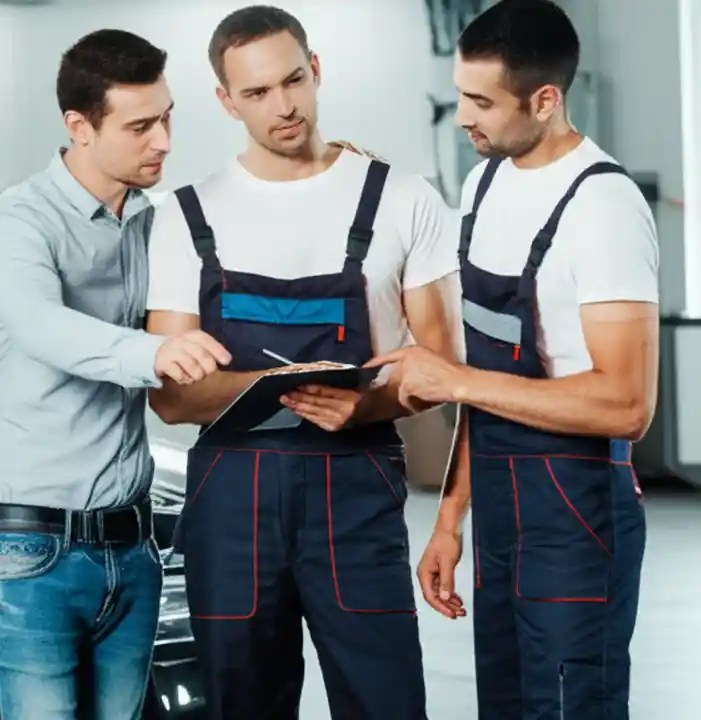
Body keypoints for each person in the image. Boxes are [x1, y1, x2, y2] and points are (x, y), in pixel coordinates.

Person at [144, 6, 461, 718]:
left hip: (354, 487)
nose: (282, 106)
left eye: (292, 81)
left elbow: (441, 366)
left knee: (386, 702)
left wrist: (368, 404)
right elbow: (170, 397)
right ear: (227, 101)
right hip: (232, 497)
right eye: (256, 93)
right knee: (240, 703)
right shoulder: (184, 215)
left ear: (315, 71)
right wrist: (277, 386)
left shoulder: (403, 199)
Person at [368, 2, 659, 718]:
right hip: (501, 508)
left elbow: (628, 404)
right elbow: (495, 381)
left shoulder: (604, 208)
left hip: (576, 518)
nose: (464, 117)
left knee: (567, 706)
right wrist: (451, 516)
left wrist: (455, 378)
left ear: (545, 100)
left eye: (481, 102)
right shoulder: (483, 184)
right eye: (461, 93)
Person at [0, 29, 232, 720]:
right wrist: (152, 354)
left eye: (168, 117)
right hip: (32, 557)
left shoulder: (153, 224)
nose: (165, 141)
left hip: (133, 549)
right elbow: (40, 325)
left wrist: (332, 171)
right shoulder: (19, 221)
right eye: (141, 125)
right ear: (79, 127)